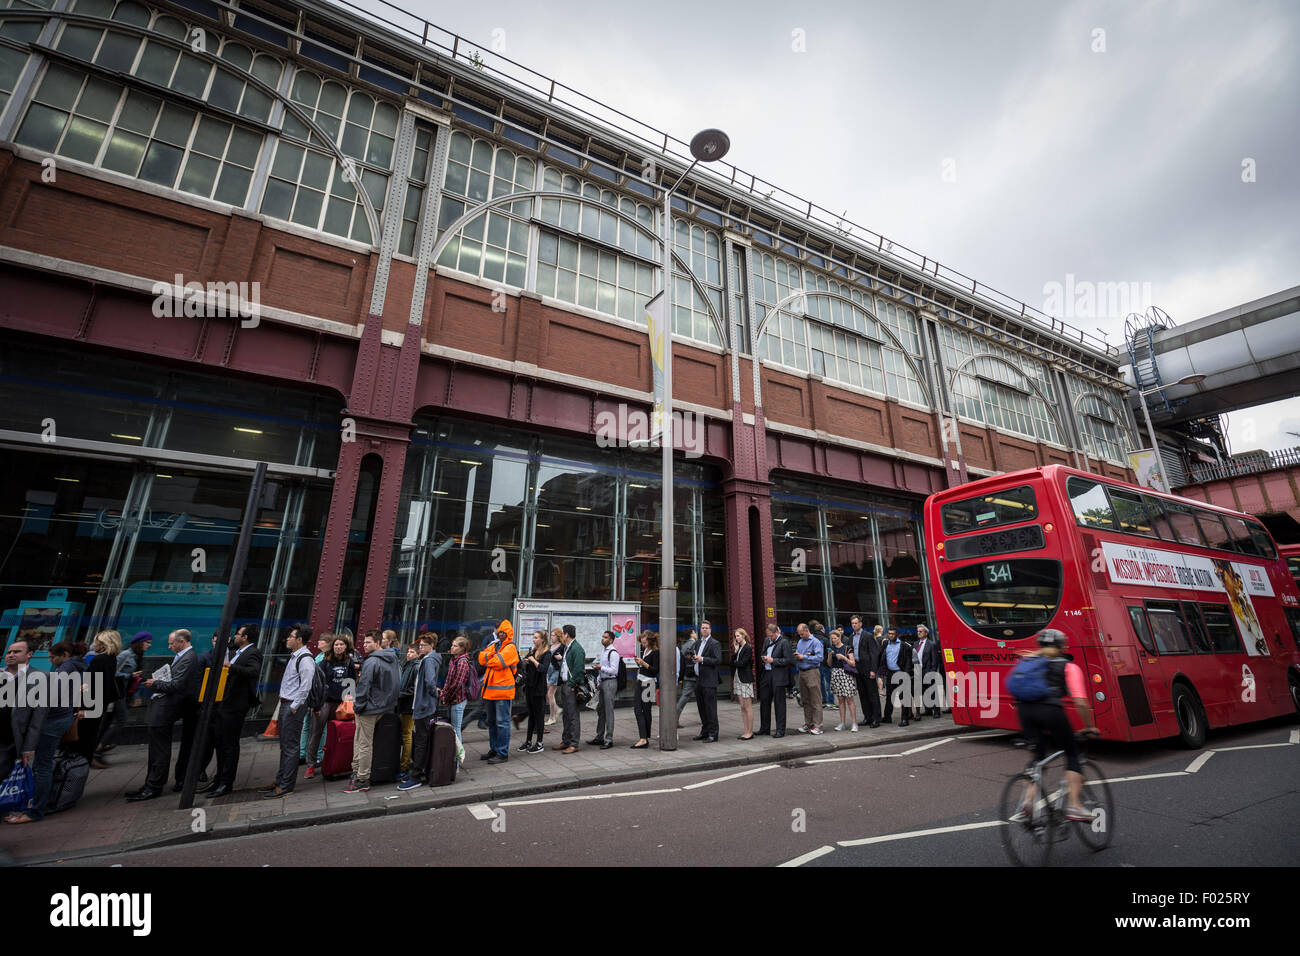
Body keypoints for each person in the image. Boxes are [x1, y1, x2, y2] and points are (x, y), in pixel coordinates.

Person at [1008, 629, 1099, 823]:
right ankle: (1074, 806)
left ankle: (1027, 804)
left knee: (1037, 758)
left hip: (1024, 711)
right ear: (1062, 647)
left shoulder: (1027, 661)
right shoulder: (1068, 667)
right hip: (1050, 710)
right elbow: (1081, 702)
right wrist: (1089, 726)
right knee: (1072, 752)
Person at [124, 629, 195, 802]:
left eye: (172, 643)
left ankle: (154, 786)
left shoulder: (189, 658)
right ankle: (150, 784)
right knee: (156, 750)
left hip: (167, 708)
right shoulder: (182, 657)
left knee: (160, 750)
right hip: (163, 706)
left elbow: (176, 684)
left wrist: (156, 684)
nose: (169, 647)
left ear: (182, 641)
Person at [199, 623, 263, 798]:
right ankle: (218, 779)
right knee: (220, 743)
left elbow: (253, 671)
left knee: (229, 745)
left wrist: (230, 666)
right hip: (223, 704)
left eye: (238, 634)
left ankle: (226, 782)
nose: (234, 636)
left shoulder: (253, 652)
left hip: (235, 706)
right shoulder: (236, 653)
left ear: (245, 637)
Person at [343, 629, 400, 792]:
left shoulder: (371, 661)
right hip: (383, 706)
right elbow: (396, 684)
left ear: (377, 643)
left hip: (368, 708)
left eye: (368, 642)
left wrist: (358, 706)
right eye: (364, 642)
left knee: (363, 743)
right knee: (363, 741)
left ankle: (361, 778)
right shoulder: (393, 659)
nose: (364, 645)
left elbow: (363, 687)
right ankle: (358, 772)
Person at [261, 627, 315, 798]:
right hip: (286, 703)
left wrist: (294, 706)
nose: (287, 639)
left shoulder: (305, 659)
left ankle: (286, 785)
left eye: (291, 636)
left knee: (291, 747)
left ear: (299, 639)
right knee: (285, 745)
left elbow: (306, 686)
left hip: (293, 706)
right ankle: (280, 780)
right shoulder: (295, 656)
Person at [1, 639, 45, 822]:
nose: (11, 655)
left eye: (16, 652)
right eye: (9, 652)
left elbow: (38, 717)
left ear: (29, 655)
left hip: (9, 741)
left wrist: (28, 748)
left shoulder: (40, 678)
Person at [305, 632, 358, 779]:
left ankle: (334, 762)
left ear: (346, 647)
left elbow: (352, 681)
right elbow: (317, 682)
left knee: (337, 734)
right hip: (325, 702)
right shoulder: (325, 662)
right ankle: (310, 764)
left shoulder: (349, 662)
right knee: (316, 732)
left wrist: (350, 697)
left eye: (341, 644)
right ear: (332, 646)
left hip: (341, 704)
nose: (339, 647)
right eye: (336, 644)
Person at [399, 632, 444, 790]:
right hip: (424, 705)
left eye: (424, 645)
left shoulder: (429, 660)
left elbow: (430, 682)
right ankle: (418, 772)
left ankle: (416, 776)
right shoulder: (426, 659)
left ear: (432, 646)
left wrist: (434, 694)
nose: (421, 647)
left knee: (420, 741)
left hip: (424, 706)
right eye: (420, 645)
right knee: (421, 739)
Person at [477, 620, 520, 764]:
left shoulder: (510, 647)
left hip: (502, 692)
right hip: (490, 691)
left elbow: (498, 662)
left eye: (504, 632)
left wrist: (490, 657)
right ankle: (494, 749)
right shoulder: (495, 645)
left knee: (502, 723)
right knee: (493, 722)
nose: (501, 634)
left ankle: (502, 753)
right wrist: (491, 657)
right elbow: (481, 658)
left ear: (508, 634)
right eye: (500, 631)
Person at [77, 630, 120, 768]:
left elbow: (91, 684)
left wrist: (83, 707)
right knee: (90, 737)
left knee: (83, 739)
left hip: (91, 705)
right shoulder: (111, 659)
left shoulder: (99, 660)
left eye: (97, 642)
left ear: (104, 644)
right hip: (100, 704)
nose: (93, 644)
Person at [439, 636, 472, 766]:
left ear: (462, 649)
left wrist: (446, 697)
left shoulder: (462, 662)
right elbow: (448, 680)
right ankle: (454, 760)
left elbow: (457, 684)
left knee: (456, 729)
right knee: (454, 728)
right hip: (452, 699)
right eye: (452, 645)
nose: (452, 648)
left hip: (458, 700)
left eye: (455, 646)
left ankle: (457, 762)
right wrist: (444, 694)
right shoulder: (453, 660)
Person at [553, 624, 585, 754]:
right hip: (565, 684)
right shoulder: (568, 647)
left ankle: (574, 743)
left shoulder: (577, 649)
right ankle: (565, 741)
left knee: (572, 716)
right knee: (566, 715)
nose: (561, 636)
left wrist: (571, 685)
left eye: (562, 634)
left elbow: (578, 670)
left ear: (566, 634)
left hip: (571, 686)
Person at [517, 630, 550, 754]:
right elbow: (525, 663)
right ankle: (528, 741)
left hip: (539, 689)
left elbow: (543, 669)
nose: (534, 640)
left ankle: (540, 743)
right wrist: (526, 661)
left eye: (536, 638)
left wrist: (534, 660)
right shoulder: (533, 651)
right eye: (533, 637)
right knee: (531, 715)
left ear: (542, 639)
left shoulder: (547, 653)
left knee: (539, 716)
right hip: (529, 687)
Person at [757, 624, 792, 737]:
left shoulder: (784, 642)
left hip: (778, 675)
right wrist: (764, 659)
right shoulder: (767, 640)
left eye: (772, 636)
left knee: (779, 703)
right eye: (769, 636)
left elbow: (788, 660)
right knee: (764, 701)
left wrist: (773, 660)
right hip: (766, 674)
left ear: (777, 632)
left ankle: (780, 730)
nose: (770, 638)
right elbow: (763, 652)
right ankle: (764, 728)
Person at [849, 615, 882, 729]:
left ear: (860, 623)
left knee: (872, 694)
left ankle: (876, 719)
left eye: (856, 623)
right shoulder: (851, 637)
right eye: (852, 623)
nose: (854, 625)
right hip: (858, 668)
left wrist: (873, 670)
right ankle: (867, 717)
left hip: (868, 668)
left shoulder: (867, 636)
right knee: (863, 694)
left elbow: (874, 654)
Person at [589, 630, 619, 749]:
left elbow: (614, 670)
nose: (603, 639)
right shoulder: (603, 651)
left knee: (609, 711)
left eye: (605, 637)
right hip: (603, 682)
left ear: (611, 640)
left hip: (610, 682)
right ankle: (599, 737)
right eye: (602, 636)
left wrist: (601, 667)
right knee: (600, 710)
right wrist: (598, 679)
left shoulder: (613, 653)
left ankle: (609, 739)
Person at [691, 620, 720, 743]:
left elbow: (717, 660)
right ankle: (705, 731)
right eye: (702, 628)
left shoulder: (715, 643)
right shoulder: (698, 643)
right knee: (701, 708)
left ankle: (713, 734)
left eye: (707, 628)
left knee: (710, 708)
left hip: (709, 681)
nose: (704, 630)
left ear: (710, 630)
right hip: (699, 680)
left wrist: (702, 659)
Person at [793, 622, 824, 735]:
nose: (800, 636)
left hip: (812, 672)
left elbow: (820, 657)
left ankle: (818, 725)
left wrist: (804, 657)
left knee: (815, 700)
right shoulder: (800, 642)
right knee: (805, 700)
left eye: (802, 634)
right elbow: (800, 654)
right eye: (799, 634)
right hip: (802, 672)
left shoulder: (815, 642)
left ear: (807, 631)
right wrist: (797, 655)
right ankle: (808, 723)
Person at [631, 630, 658, 749]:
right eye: (642, 642)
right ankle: (644, 737)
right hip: (640, 681)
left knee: (645, 711)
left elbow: (655, 670)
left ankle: (644, 738)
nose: (643, 644)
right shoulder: (645, 651)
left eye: (645, 642)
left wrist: (643, 663)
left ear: (651, 641)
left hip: (649, 683)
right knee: (638, 709)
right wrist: (639, 663)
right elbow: (645, 667)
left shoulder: (656, 652)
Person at [827, 628, 858, 732]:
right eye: (832, 638)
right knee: (840, 700)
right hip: (835, 674)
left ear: (839, 637)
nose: (833, 640)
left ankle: (854, 723)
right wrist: (830, 655)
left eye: (834, 638)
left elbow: (853, 663)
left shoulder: (847, 648)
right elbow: (829, 664)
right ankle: (842, 723)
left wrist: (844, 658)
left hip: (845, 674)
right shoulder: (831, 648)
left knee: (850, 699)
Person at [880, 627, 912, 727]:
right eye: (889, 633)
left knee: (903, 697)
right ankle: (887, 717)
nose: (891, 635)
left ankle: (904, 719)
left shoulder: (903, 645)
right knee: (889, 696)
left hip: (900, 673)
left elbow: (908, 661)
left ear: (896, 634)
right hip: (890, 673)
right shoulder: (886, 644)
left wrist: (906, 674)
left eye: (893, 634)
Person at [397, 641, 419, 775]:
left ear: (417, 654)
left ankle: (404, 765)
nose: (408, 654)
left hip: (409, 705)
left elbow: (413, 689)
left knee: (407, 734)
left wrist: (400, 694)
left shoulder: (416, 666)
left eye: (412, 652)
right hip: (403, 703)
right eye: (408, 651)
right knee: (405, 733)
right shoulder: (406, 665)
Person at [913, 625, 942, 719]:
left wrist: (932, 672)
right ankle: (928, 710)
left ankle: (936, 711)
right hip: (918, 672)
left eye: (921, 631)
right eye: (918, 631)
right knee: (924, 691)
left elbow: (935, 660)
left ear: (926, 633)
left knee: (932, 692)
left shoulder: (931, 644)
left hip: (928, 671)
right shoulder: (916, 644)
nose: (919, 633)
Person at [731, 628, 754, 740]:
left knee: (748, 707)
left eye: (738, 636)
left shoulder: (748, 648)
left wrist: (736, 663)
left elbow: (743, 663)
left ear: (744, 636)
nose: (737, 638)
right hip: (738, 678)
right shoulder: (739, 648)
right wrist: (735, 651)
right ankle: (745, 731)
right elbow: (733, 661)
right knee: (742, 706)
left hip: (745, 679)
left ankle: (750, 732)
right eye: (736, 636)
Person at [675, 628, 699, 722]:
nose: (696, 634)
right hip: (694, 674)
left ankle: (675, 718)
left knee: (684, 696)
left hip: (687, 673)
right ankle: (674, 719)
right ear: (691, 634)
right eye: (694, 632)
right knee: (686, 697)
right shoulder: (695, 644)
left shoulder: (683, 645)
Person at [811, 619, 834, 710]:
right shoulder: (825, 639)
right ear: (822, 629)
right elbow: (829, 651)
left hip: (816, 663)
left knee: (820, 683)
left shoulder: (812, 638)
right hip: (825, 663)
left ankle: (823, 700)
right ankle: (831, 701)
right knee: (829, 682)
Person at [544, 628, 562, 726]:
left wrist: (561, 658)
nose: (551, 637)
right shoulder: (550, 646)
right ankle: (557, 709)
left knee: (550, 694)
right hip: (548, 671)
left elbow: (565, 659)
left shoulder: (562, 646)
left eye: (553, 635)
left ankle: (552, 717)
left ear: (558, 636)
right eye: (551, 635)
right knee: (547, 694)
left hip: (556, 671)